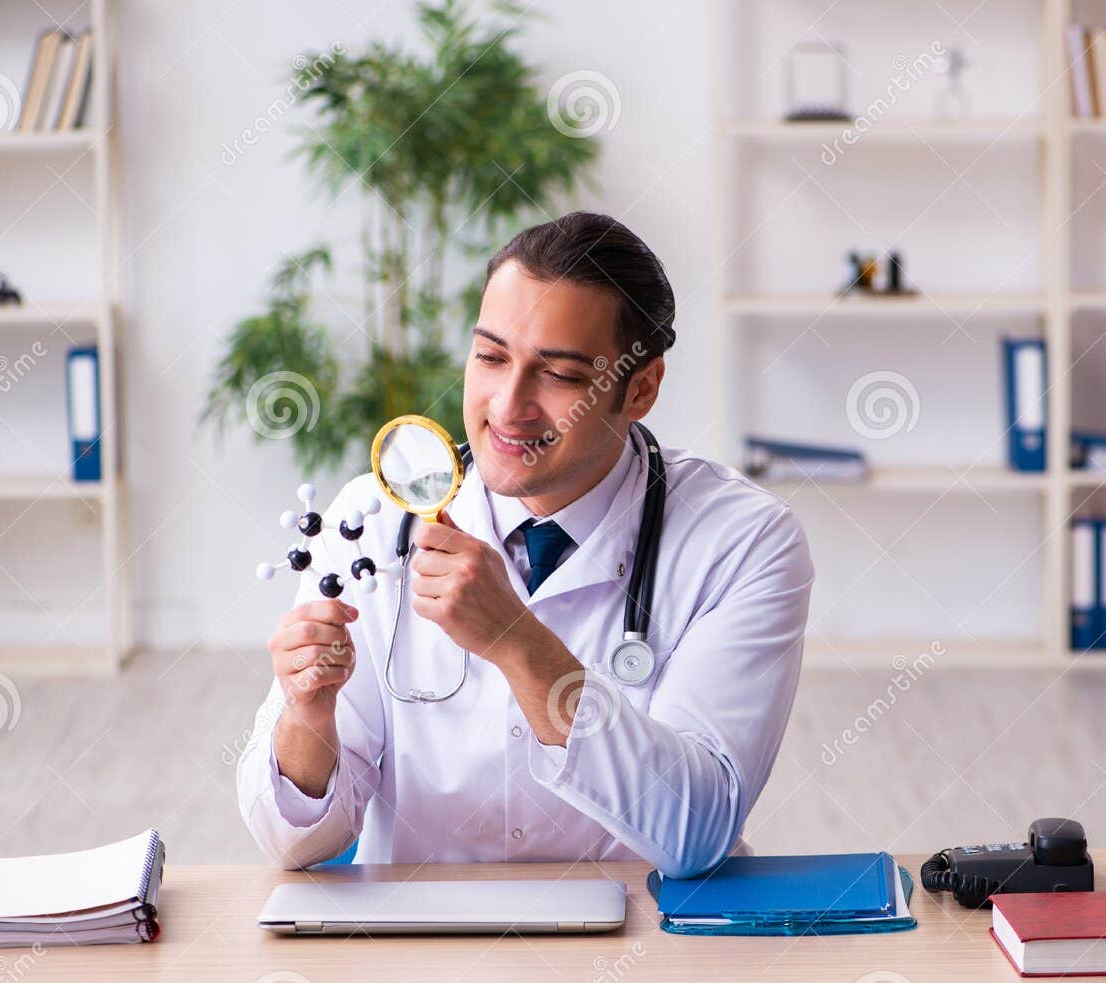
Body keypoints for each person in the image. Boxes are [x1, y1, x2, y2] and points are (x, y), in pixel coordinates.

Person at [236, 212, 813, 876]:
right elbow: (297, 846)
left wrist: (517, 640)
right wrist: (309, 711)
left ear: (641, 388)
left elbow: (696, 831)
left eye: (560, 376)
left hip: (643, 950)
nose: (509, 406)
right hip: (426, 952)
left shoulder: (743, 543)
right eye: (490, 357)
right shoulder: (372, 519)